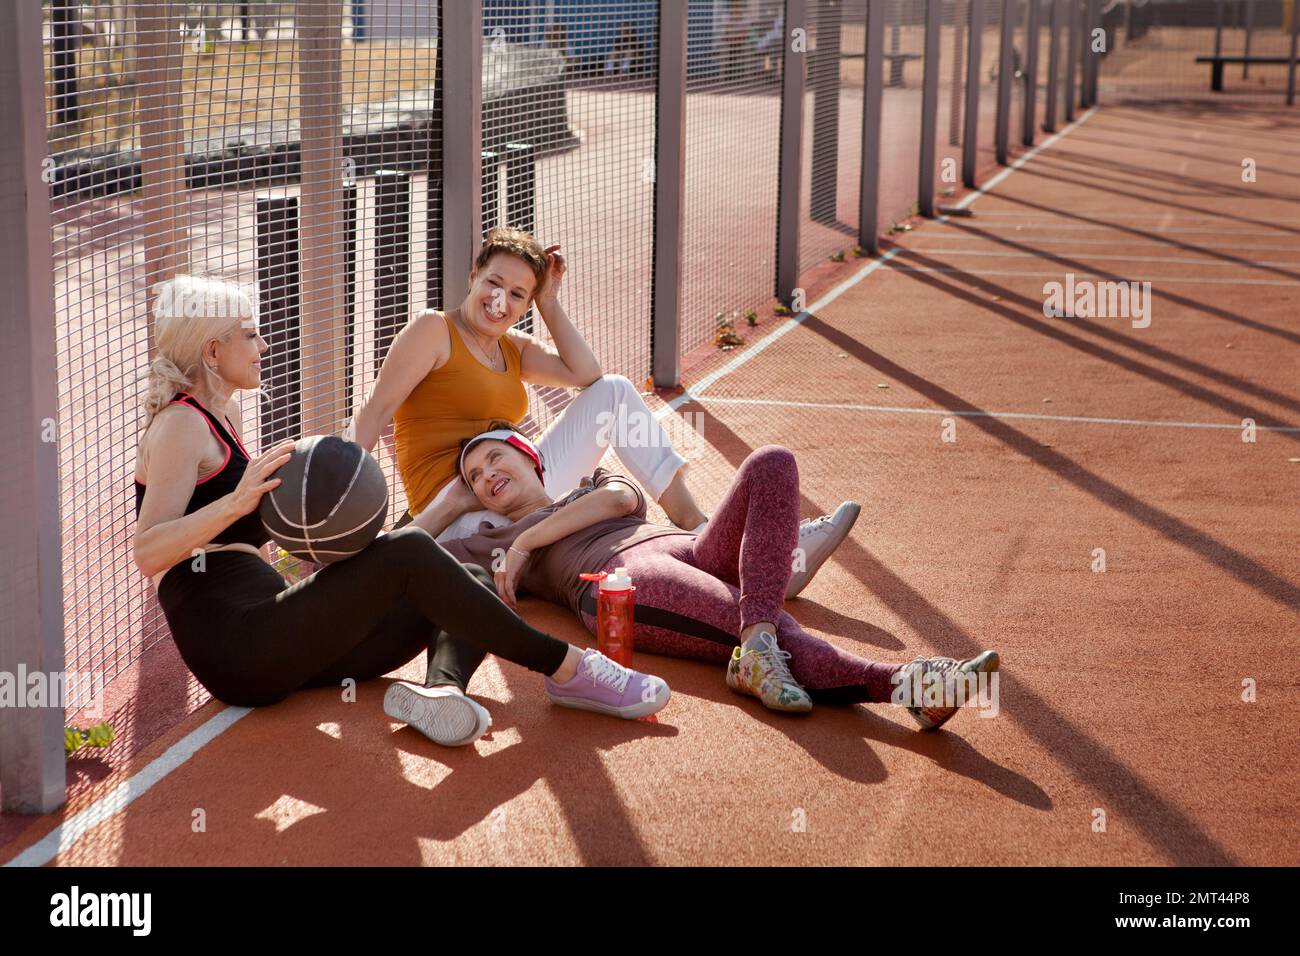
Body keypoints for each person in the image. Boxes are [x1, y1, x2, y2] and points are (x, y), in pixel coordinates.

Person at [132, 275, 671, 749]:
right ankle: (570, 669)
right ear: (210, 352)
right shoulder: (182, 424)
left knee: (473, 573)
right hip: (238, 643)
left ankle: (442, 691)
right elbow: (149, 550)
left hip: (279, 635)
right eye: (248, 333)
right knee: (410, 548)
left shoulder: (219, 415)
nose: (263, 344)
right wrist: (236, 501)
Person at [346, 226, 859, 599]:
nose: (500, 301)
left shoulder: (513, 349)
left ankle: (703, 529)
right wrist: (344, 510)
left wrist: (550, 301)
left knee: (612, 390)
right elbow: (375, 411)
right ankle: (731, 547)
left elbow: (586, 375)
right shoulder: (433, 330)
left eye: (518, 294)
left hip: (517, 485)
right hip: (462, 511)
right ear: (473, 275)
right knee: (610, 402)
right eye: (494, 283)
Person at [434, 423, 1001, 730]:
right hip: (621, 578)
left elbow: (619, 498)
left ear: (530, 457)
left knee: (772, 460)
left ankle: (757, 648)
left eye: (493, 460)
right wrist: (450, 502)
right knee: (776, 625)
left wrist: (530, 539)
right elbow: (409, 551)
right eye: (475, 479)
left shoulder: (587, 486)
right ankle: (906, 683)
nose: (486, 478)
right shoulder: (486, 541)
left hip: (693, 546)